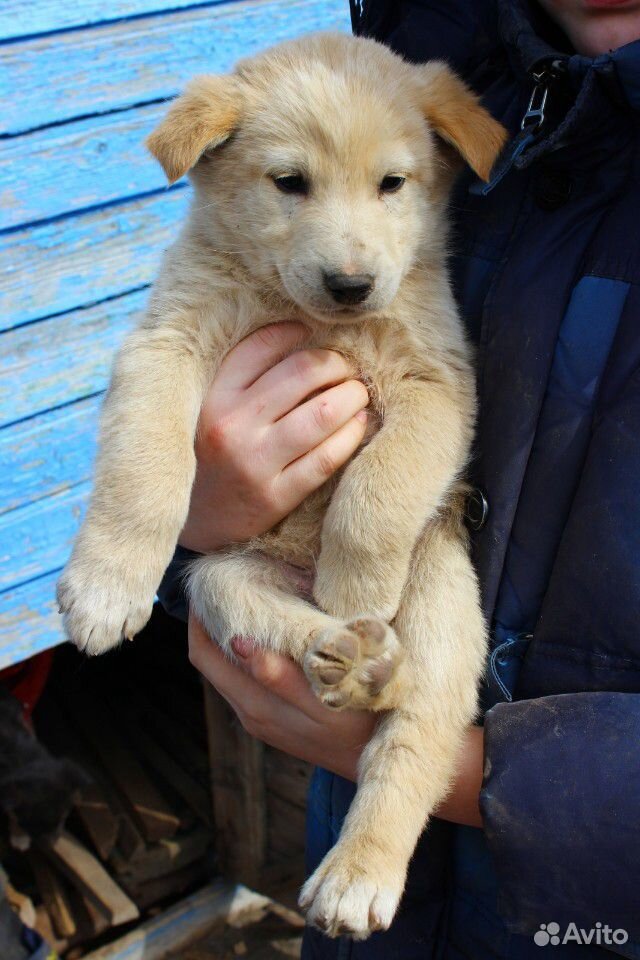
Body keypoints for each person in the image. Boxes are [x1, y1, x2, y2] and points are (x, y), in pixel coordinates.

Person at [162, 0, 640, 955]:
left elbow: (432, 395)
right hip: (373, 915)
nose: (351, 249)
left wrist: (456, 776)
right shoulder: (423, 64)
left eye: (392, 187)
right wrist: (197, 513)